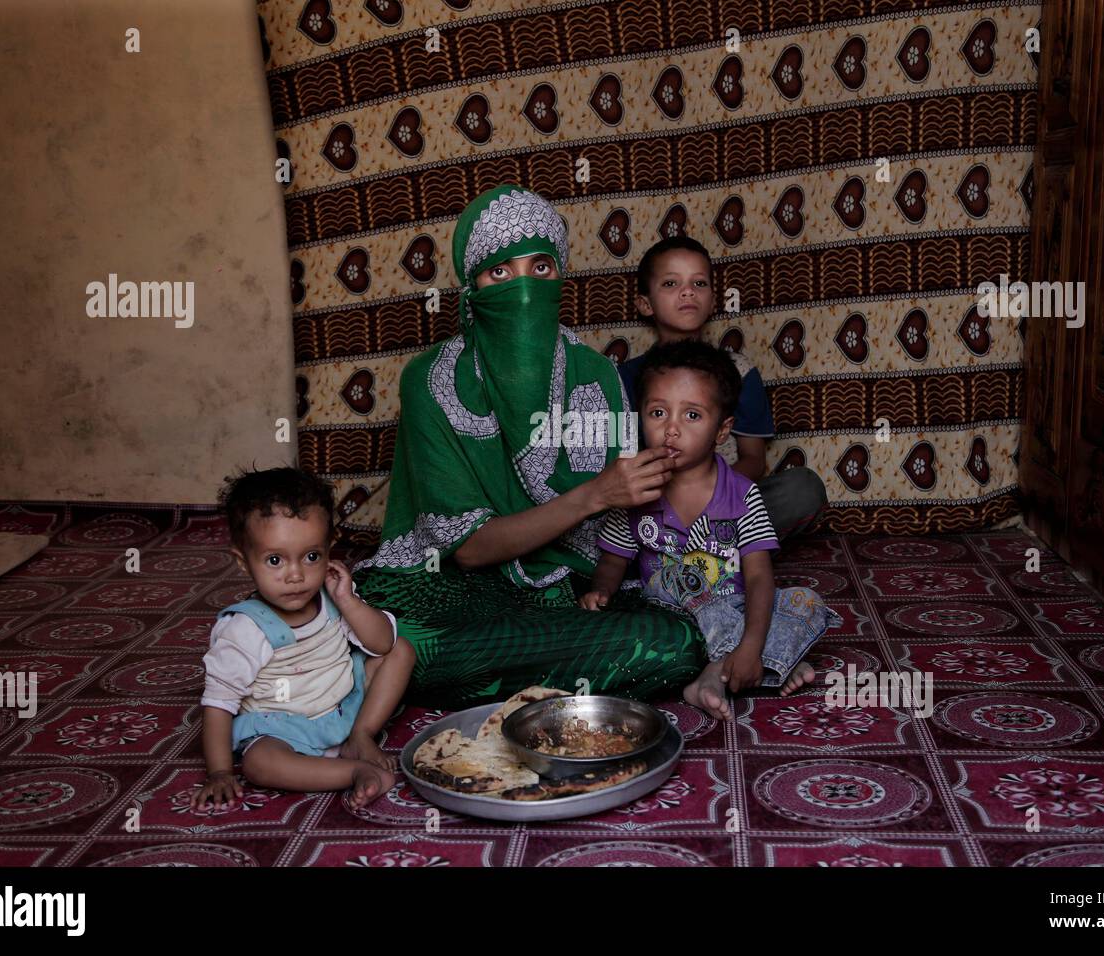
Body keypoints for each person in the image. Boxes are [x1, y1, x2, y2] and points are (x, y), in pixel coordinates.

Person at [352, 184, 706, 706]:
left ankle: (496, 668)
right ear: (471, 285)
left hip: (564, 590)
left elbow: (621, 529)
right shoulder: (430, 379)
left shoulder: (596, 376)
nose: (523, 291)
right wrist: (597, 494)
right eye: (500, 272)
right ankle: (525, 666)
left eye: (540, 269)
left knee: (673, 645)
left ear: (560, 276)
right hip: (451, 587)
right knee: (408, 644)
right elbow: (468, 550)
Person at [581, 340, 839, 719]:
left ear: (722, 431)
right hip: (669, 615)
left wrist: (750, 645)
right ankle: (771, 663)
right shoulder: (638, 488)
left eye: (692, 416)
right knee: (669, 584)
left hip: (731, 608)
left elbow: (758, 579)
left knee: (805, 603)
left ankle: (724, 669)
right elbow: (613, 560)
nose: (671, 429)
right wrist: (601, 590)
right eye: (657, 412)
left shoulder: (742, 494)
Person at [193, 467, 414, 810]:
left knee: (401, 650)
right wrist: (220, 771)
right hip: (283, 728)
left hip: (344, 703)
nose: (295, 575)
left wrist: (349, 602)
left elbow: (382, 644)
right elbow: (218, 705)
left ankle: (361, 736)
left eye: (312, 556)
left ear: (329, 549)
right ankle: (351, 771)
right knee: (259, 764)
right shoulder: (244, 629)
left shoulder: (333, 596)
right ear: (244, 563)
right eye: (275, 560)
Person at [616, 235, 828, 539]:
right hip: (653, 508)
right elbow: (619, 462)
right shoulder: (624, 376)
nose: (688, 291)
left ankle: (708, 546)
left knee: (802, 489)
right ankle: (673, 549)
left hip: (724, 504)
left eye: (699, 283)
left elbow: (754, 460)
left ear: (713, 301)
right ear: (645, 304)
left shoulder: (739, 371)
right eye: (671, 284)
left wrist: (711, 494)